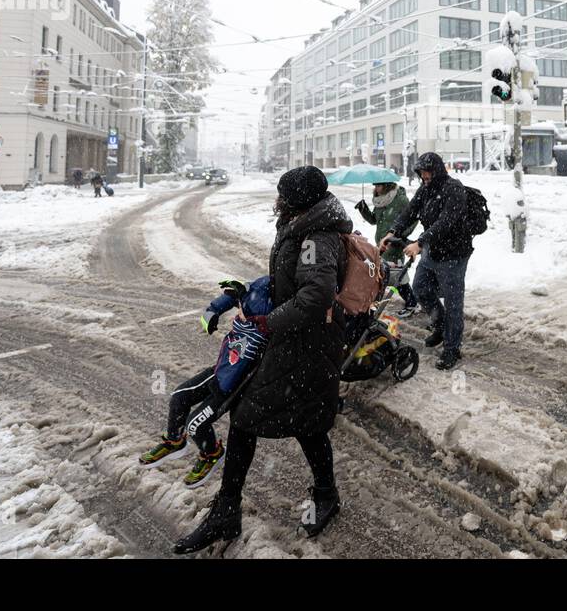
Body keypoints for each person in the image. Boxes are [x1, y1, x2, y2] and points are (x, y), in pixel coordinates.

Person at [173, 167, 347, 554]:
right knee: (301, 421)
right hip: (296, 344)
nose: (277, 199)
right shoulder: (301, 225)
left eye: (283, 194)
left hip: (307, 347)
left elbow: (316, 295)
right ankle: (240, 507)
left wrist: (269, 321)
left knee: (257, 418)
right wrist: (251, 293)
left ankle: (232, 510)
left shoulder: (316, 235)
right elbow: (289, 281)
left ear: (297, 199)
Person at [140, 278, 272, 487]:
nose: (238, 312)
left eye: (242, 311)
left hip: (232, 386)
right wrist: (214, 310)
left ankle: (212, 453)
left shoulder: (273, 317)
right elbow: (237, 291)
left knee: (195, 425)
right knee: (178, 397)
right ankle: (174, 441)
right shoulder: (263, 288)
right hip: (221, 371)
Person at [380, 152, 473, 370]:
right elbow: (409, 212)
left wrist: (420, 243)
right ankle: (440, 325)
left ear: (437, 170)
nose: (424, 176)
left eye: (427, 171)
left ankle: (452, 349)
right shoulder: (426, 189)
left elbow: (446, 222)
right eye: (421, 172)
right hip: (432, 250)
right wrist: (392, 231)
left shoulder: (453, 189)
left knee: (453, 302)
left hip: (454, 254)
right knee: (420, 288)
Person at [355, 181, 419, 316]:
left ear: (387, 185)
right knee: (386, 274)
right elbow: (374, 220)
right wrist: (363, 209)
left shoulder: (400, 200)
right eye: (375, 186)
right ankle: (408, 302)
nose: (376, 189)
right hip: (382, 245)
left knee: (397, 277)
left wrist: (399, 236)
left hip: (395, 245)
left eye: (378, 186)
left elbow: (413, 219)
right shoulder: (380, 201)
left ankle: (412, 303)